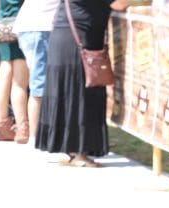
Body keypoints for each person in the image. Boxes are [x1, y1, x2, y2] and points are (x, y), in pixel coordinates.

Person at [36, 0, 129, 167]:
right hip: (80, 39)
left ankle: (69, 149)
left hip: (69, 36)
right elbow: (119, 4)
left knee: (69, 93)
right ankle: (79, 152)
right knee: (81, 94)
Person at [13, 0, 57, 145]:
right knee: (40, 85)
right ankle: (35, 137)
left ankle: (37, 136)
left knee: (38, 84)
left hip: (34, 26)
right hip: (40, 27)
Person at [0, 0, 29, 143]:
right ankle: (22, 127)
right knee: (20, 81)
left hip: (2, 22)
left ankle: (3, 127)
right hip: (19, 23)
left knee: (4, 73)